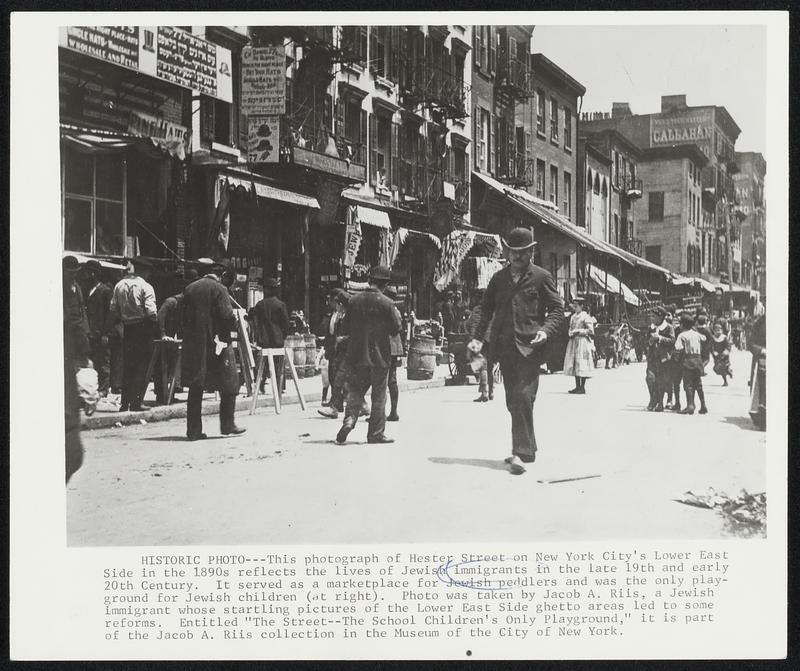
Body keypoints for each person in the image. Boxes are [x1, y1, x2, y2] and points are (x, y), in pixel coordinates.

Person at [468, 227, 564, 475]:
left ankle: (520, 453)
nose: (517, 257)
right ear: (508, 252)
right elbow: (485, 310)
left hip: (531, 348)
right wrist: (477, 339)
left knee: (523, 396)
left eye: (523, 252)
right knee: (514, 401)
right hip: (505, 348)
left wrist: (546, 330)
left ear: (532, 251)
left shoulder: (542, 277)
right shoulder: (498, 279)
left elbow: (556, 310)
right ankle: (528, 448)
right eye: (513, 252)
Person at [335, 266, 402, 444]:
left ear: (369, 279)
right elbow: (396, 329)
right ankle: (375, 433)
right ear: (386, 284)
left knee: (356, 391)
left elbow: (346, 326)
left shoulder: (354, 301)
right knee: (379, 396)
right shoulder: (387, 303)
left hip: (357, 355)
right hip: (380, 356)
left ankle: (349, 420)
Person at [181, 260, 245, 440]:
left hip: (194, 343)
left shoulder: (190, 288)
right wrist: (236, 324)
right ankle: (227, 424)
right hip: (218, 343)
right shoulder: (220, 289)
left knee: (196, 385)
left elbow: (182, 316)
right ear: (221, 275)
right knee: (230, 382)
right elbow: (226, 316)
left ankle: (193, 431)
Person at [109, 257, 158, 412]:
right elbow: (151, 312)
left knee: (128, 365)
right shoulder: (146, 286)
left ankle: (124, 403)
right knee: (141, 366)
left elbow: (113, 309)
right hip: (143, 328)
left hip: (127, 327)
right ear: (144, 271)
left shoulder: (119, 285)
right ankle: (136, 403)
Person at [63, 256, 89, 483]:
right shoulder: (62, 288)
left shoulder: (76, 287)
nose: (73, 274)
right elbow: (73, 318)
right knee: (72, 455)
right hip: (68, 347)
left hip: (75, 343)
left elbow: (81, 314)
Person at [249, 278, 290, 393]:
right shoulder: (280, 305)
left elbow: (255, 323)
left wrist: (258, 336)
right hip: (277, 339)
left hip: (264, 339)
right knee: (279, 363)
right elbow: (286, 324)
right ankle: (280, 387)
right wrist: (283, 335)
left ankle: (261, 384)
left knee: (263, 363)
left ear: (266, 290)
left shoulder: (260, 305)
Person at [82, 259, 113, 397]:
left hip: (101, 333)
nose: (85, 275)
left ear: (93, 274)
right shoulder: (88, 290)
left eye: (87, 272)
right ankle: (95, 388)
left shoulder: (106, 291)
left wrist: (106, 333)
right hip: (91, 333)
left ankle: (104, 389)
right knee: (94, 360)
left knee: (103, 362)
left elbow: (110, 314)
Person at [674, 312, 708, 415]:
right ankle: (703, 405)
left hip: (688, 360)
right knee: (698, 384)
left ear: (682, 325)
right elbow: (704, 338)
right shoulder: (696, 334)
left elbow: (678, 347)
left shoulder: (681, 335)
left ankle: (690, 405)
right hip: (698, 360)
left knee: (688, 384)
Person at [465, 290, 494, 402]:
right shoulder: (493, 310)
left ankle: (484, 393)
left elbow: (469, 325)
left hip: (478, 339)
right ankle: (491, 391)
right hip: (491, 339)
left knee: (481, 366)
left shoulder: (476, 310)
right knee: (489, 366)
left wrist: (471, 340)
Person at [563, 296, 594, 394]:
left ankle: (582, 387)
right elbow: (570, 328)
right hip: (574, 341)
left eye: (577, 306)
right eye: (574, 306)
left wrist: (579, 331)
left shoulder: (585, 316)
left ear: (581, 306)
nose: (575, 307)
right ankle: (577, 386)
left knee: (582, 363)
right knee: (575, 363)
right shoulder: (573, 316)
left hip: (582, 341)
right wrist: (570, 333)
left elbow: (590, 331)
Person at [383, 285, 404, 421]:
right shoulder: (396, 309)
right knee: (391, 380)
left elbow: (396, 327)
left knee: (386, 380)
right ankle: (393, 411)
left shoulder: (390, 309)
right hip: (394, 347)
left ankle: (388, 412)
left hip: (388, 346)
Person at [649, 307, 675, 412]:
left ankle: (665, 401)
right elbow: (646, 340)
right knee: (650, 379)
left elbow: (672, 340)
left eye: (653, 316)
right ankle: (653, 399)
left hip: (665, 358)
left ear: (660, 317)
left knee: (665, 380)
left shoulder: (669, 327)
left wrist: (659, 338)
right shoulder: (650, 327)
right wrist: (649, 342)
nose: (651, 318)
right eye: (651, 316)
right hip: (652, 357)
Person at [748, 311, 766, 429]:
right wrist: (761, 350)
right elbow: (751, 343)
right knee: (762, 390)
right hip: (763, 360)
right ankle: (762, 416)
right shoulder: (760, 322)